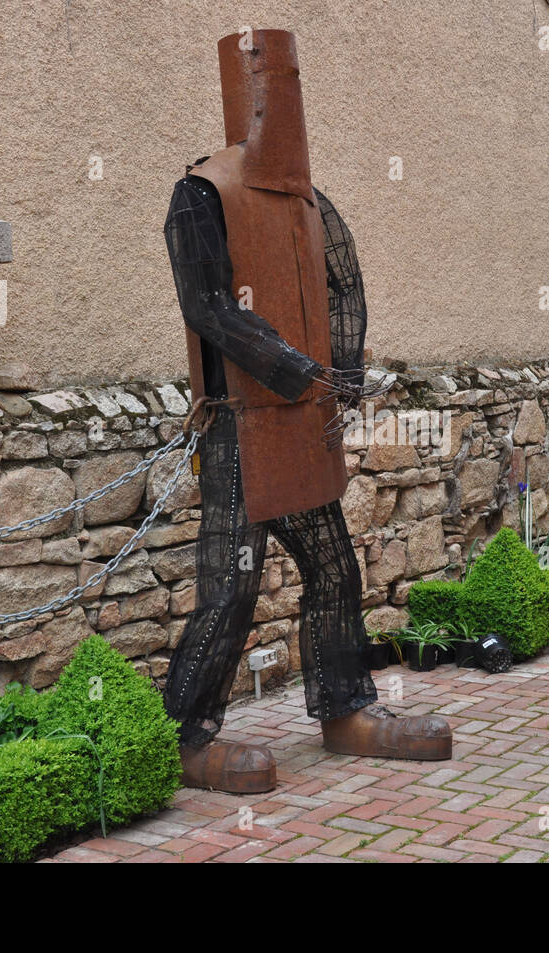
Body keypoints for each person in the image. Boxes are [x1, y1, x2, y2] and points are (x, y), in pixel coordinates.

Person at [160, 29, 452, 794]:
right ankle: (182, 735)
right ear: (240, 91)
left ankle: (345, 707)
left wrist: (341, 373)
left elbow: (343, 287)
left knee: (334, 568)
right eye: (262, 85)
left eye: (284, 84)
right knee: (232, 583)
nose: (274, 102)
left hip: (303, 424)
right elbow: (208, 304)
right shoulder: (201, 191)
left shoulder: (309, 200)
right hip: (239, 425)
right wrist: (294, 368)